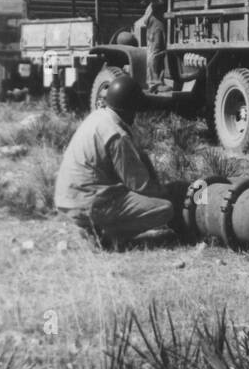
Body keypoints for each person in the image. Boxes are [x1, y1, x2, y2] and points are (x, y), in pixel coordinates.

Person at [55, 74, 176, 246]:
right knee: (163, 209)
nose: (136, 116)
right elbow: (139, 185)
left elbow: (137, 160)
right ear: (129, 109)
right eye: (135, 110)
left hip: (68, 199)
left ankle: (92, 228)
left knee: (126, 196)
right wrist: (167, 194)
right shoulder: (117, 134)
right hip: (88, 202)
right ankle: (108, 237)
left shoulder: (99, 117)